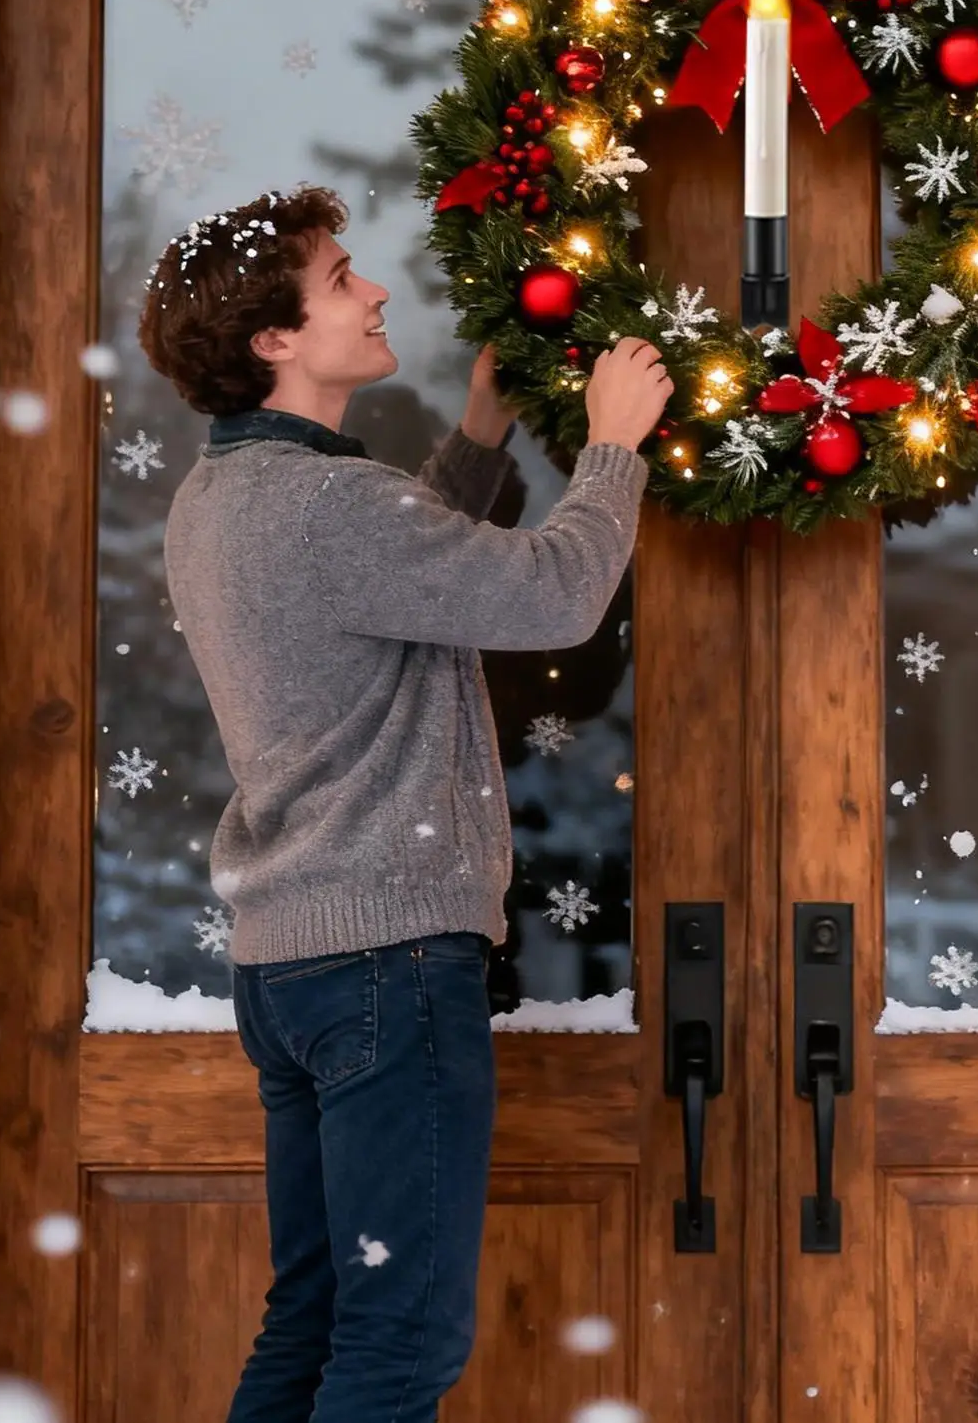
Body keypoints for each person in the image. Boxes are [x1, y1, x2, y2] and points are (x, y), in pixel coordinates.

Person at [139, 184, 672, 1423]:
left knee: (317, 1318)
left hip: (292, 967)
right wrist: (612, 446)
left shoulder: (225, 498)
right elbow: (549, 597)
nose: (374, 291)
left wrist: (480, 432)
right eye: (339, 280)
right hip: (383, 957)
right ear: (273, 339)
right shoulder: (328, 504)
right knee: (399, 1342)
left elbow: (392, 555)